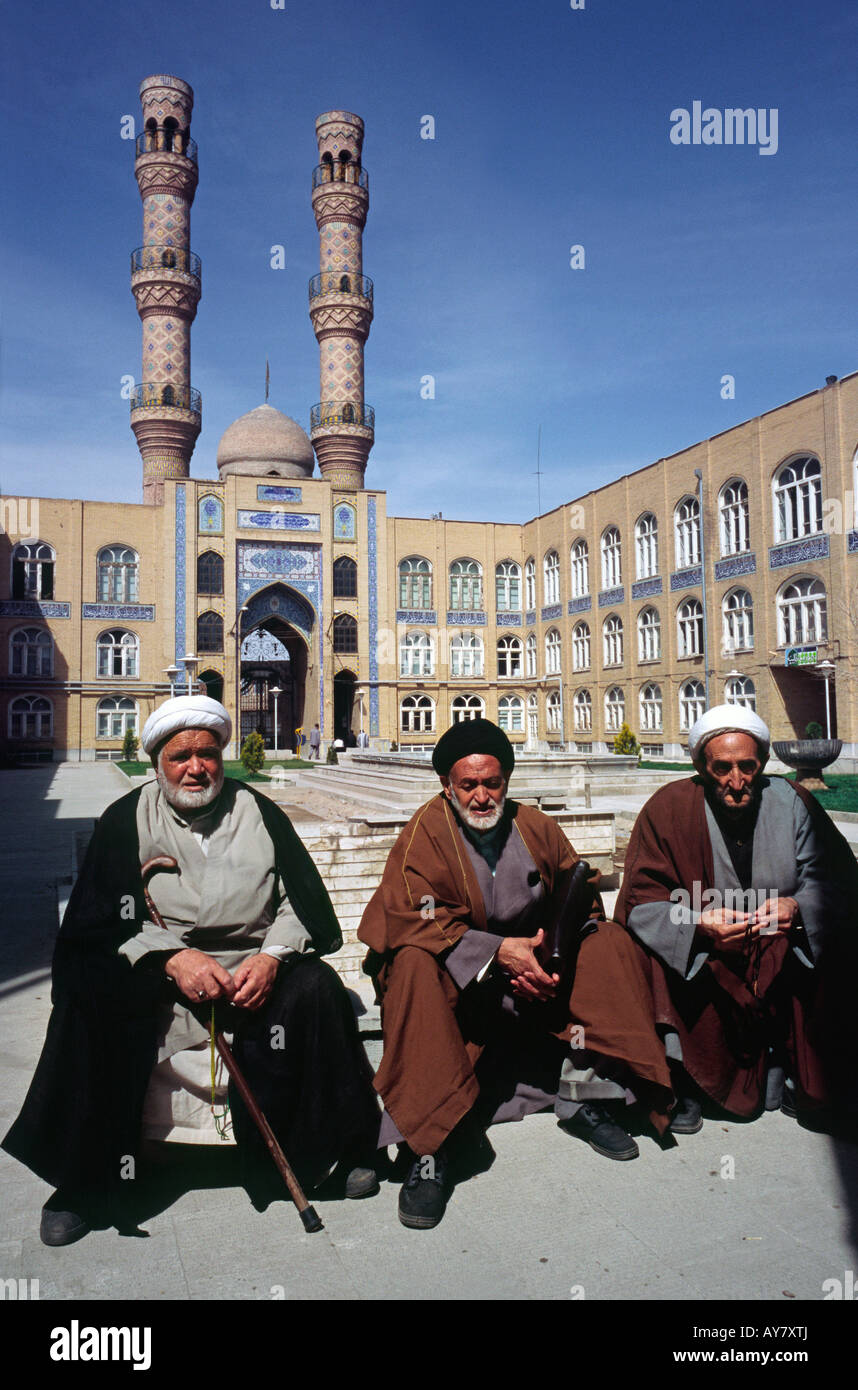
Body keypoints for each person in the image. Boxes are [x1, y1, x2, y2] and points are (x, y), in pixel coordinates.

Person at [3, 696, 381, 1245]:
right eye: (181, 756)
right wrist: (169, 956)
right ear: (158, 760)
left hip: (251, 967)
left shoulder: (259, 811)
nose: (196, 768)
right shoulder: (124, 820)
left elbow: (299, 904)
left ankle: (325, 1155)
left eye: (208, 753)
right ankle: (86, 1179)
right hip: (158, 970)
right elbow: (99, 919)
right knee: (91, 993)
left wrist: (271, 958)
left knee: (317, 987)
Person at [358, 717, 674, 1229]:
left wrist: (551, 959)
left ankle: (589, 1094)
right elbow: (416, 915)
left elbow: (580, 896)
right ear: (447, 786)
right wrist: (494, 953)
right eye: (469, 785)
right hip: (458, 977)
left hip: (534, 973)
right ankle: (430, 1144)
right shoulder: (426, 832)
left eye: (492, 783)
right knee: (411, 965)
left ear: (506, 780)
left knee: (608, 942)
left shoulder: (534, 826)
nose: (482, 797)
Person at [614, 703, 858, 1132]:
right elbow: (641, 900)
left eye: (748, 767)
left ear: (762, 763)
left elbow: (836, 877)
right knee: (647, 950)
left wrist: (796, 907)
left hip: (778, 944)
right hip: (704, 951)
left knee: (837, 933)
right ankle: (683, 1081)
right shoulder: (668, 808)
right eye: (723, 768)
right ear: (702, 766)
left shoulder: (793, 802)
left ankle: (800, 1071)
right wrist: (696, 926)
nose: (736, 782)